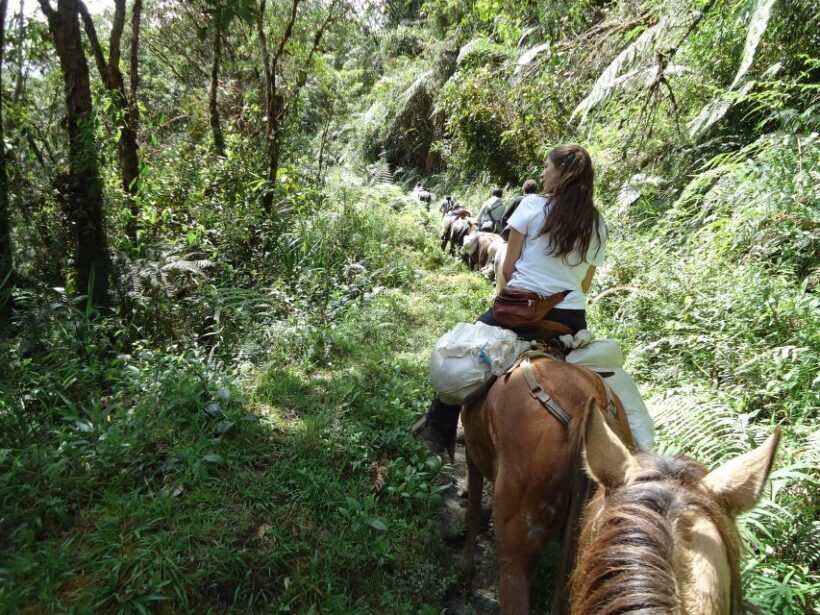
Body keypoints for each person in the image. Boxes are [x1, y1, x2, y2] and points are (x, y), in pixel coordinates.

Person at [413, 144, 607, 453]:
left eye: (547, 167)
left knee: (463, 346)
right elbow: (584, 285)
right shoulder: (597, 224)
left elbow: (508, 266)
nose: (542, 173)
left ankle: (438, 424)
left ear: (563, 174)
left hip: (519, 311)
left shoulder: (532, 205)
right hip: (570, 321)